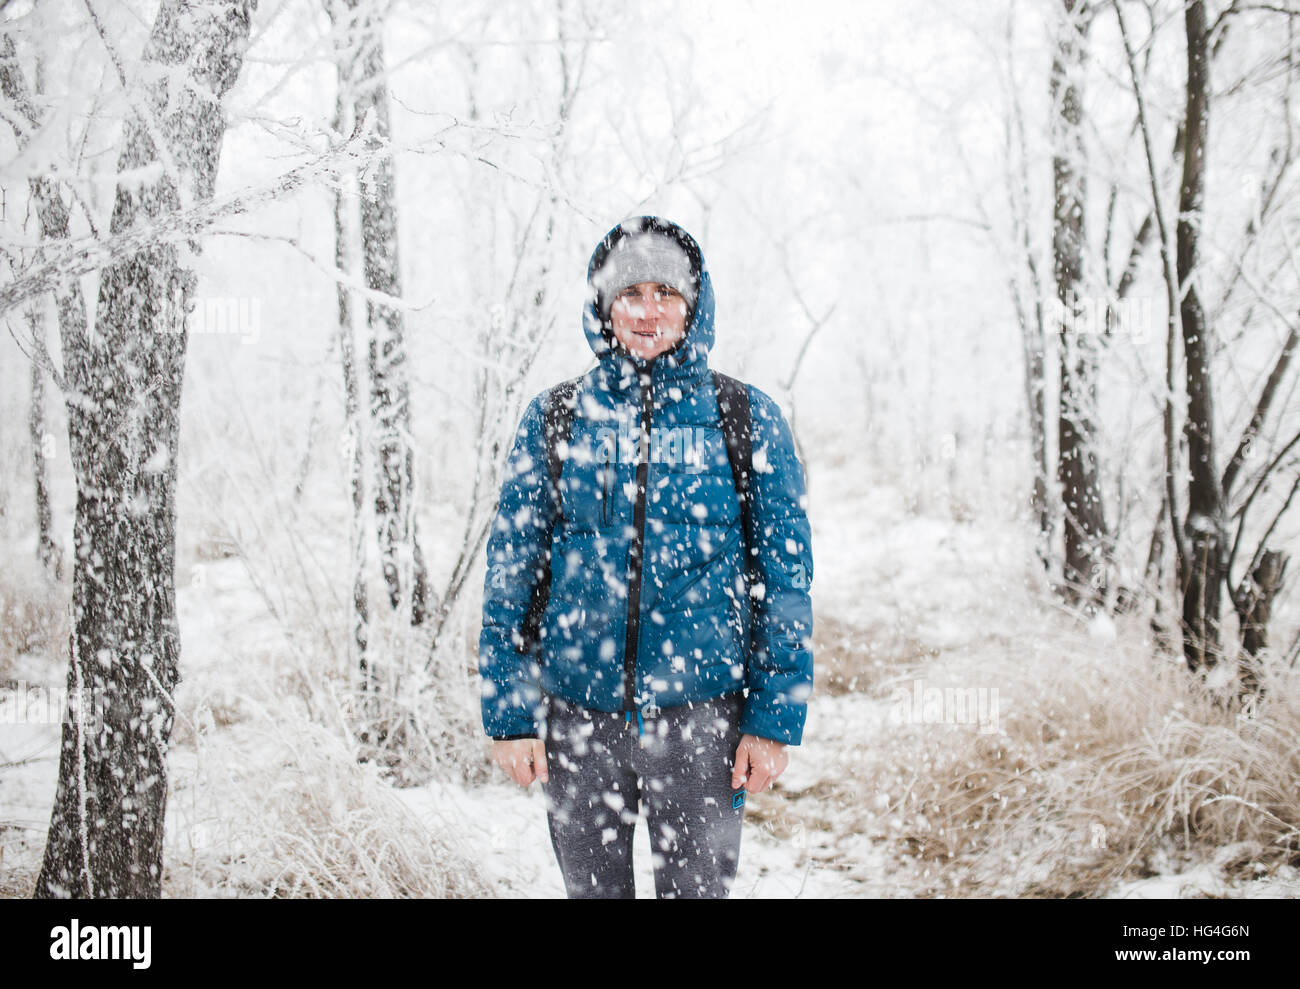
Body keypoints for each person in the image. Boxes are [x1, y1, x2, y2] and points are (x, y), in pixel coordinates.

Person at [478, 215, 814, 898]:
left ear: (694, 305)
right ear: (604, 308)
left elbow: (784, 581)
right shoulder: (557, 418)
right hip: (578, 722)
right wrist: (511, 714)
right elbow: (513, 571)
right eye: (631, 293)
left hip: (703, 723)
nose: (649, 309)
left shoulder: (743, 418)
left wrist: (771, 723)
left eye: (667, 292)